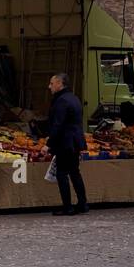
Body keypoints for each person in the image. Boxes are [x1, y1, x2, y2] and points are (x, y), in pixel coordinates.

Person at [46, 72, 89, 216]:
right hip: (75, 142)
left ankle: (67, 207)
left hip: (65, 143)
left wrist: (49, 143)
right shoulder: (74, 98)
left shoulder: (61, 101)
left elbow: (58, 125)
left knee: (62, 173)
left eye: (52, 83)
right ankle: (83, 203)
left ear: (59, 84)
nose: (49, 86)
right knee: (75, 172)